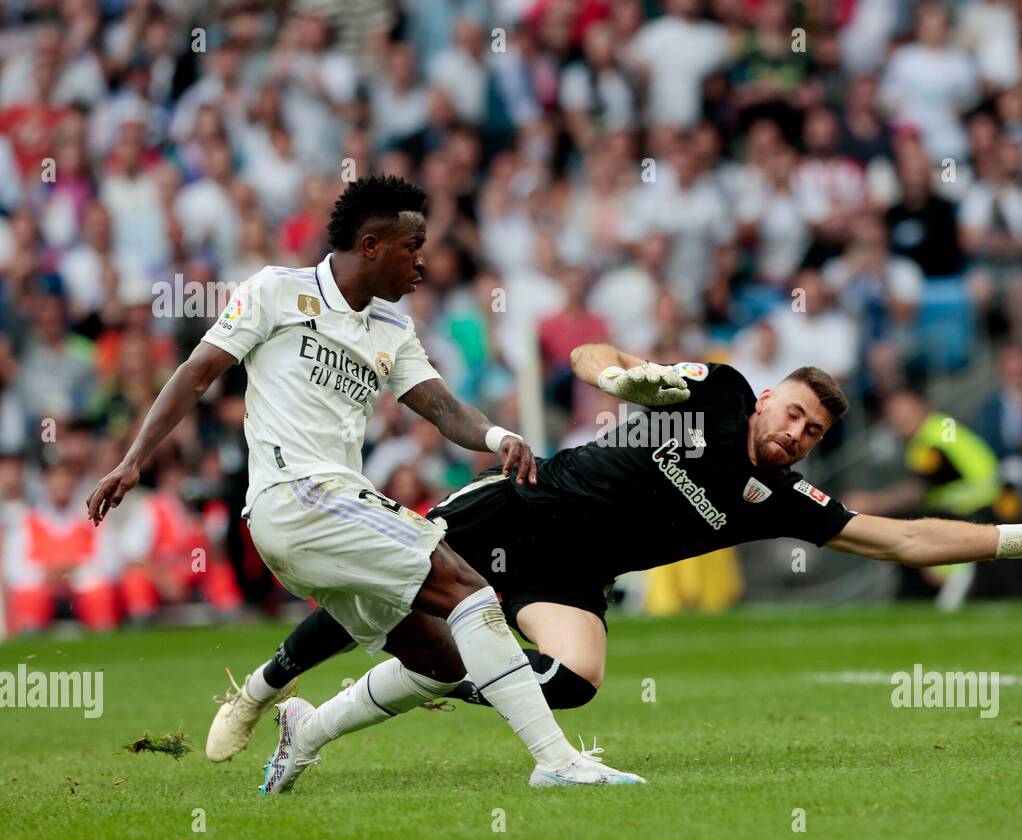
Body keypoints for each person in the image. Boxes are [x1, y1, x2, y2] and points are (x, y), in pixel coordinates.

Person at [206, 341, 1022, 770]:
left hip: (571, 573)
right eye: (792, 412)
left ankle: (315, 730)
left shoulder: (782, 501)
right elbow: (598, 354)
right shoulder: (719, 392)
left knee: (570, 678)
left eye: (814, 431)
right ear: (764, 401)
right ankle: (262, 690)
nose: (798, 434)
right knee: (394, 592)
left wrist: (1018, 541)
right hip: (524, 508)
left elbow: (906, 537)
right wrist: (621, 378)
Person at [86, 175, 645, 793]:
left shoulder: (392, 330)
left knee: (438, 660)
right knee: (466, 586)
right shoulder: (276, 291)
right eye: (413, 246)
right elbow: (197, 373)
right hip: (294, 496)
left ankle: (292, 722)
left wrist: (494, 438)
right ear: (372, 245)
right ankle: (556, 761)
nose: (423, 262)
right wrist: (133, 459)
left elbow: (442, 408)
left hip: (326, 511)